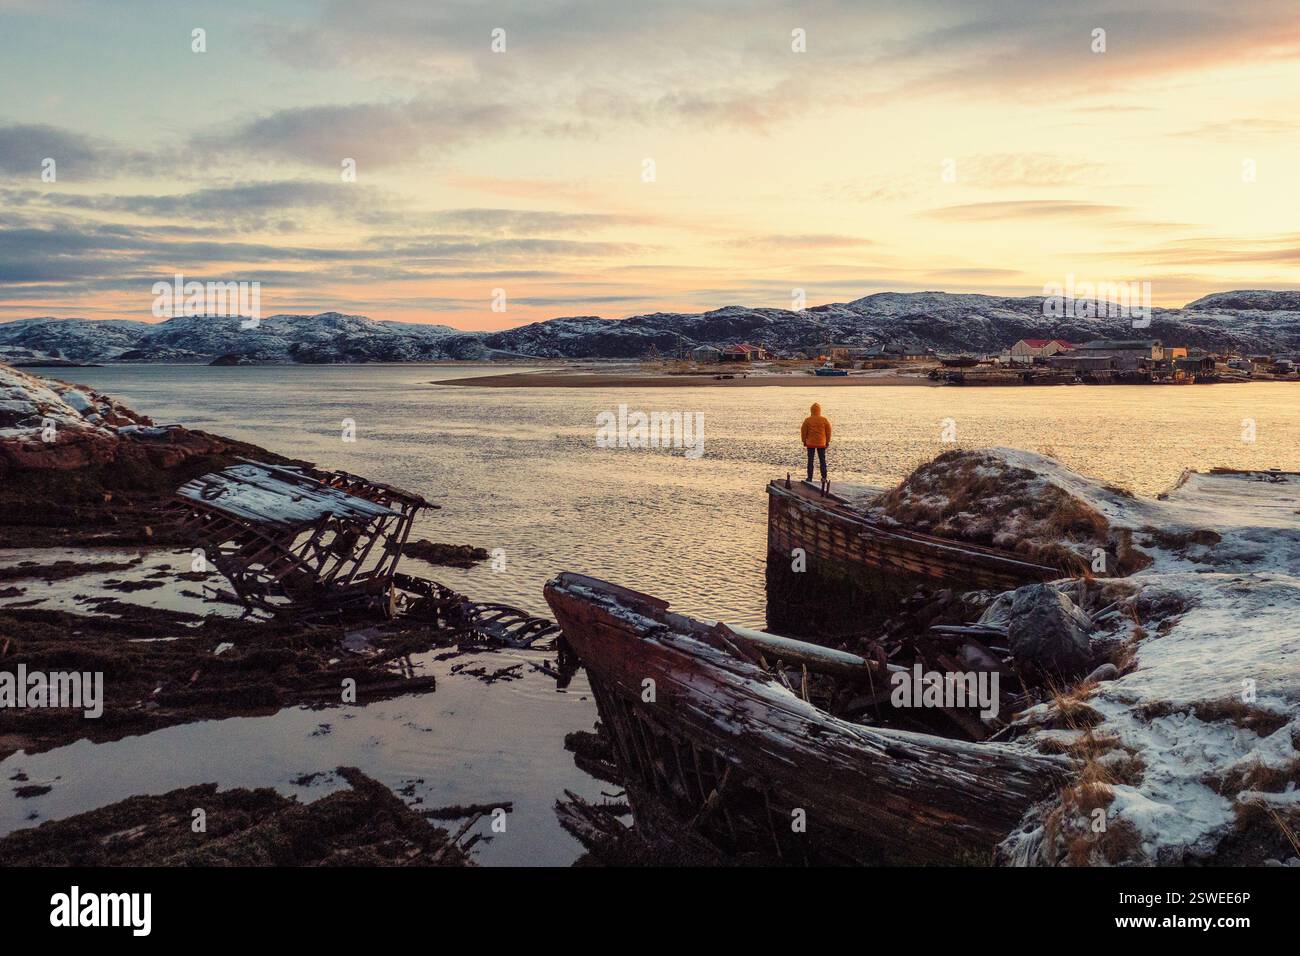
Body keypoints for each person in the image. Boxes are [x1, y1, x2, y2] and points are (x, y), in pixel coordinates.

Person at [800, 402, 831, 486]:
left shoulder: (807, 420)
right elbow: (828, 431)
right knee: (822, 460)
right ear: (819, 410)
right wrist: (827, 441)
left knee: (810, 460)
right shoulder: (824, 420)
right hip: (821, 443)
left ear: (811, 410)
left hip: (810, 443)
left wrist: (804, 440)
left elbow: (803, 431)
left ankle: (809, 478)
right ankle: (824, 477)